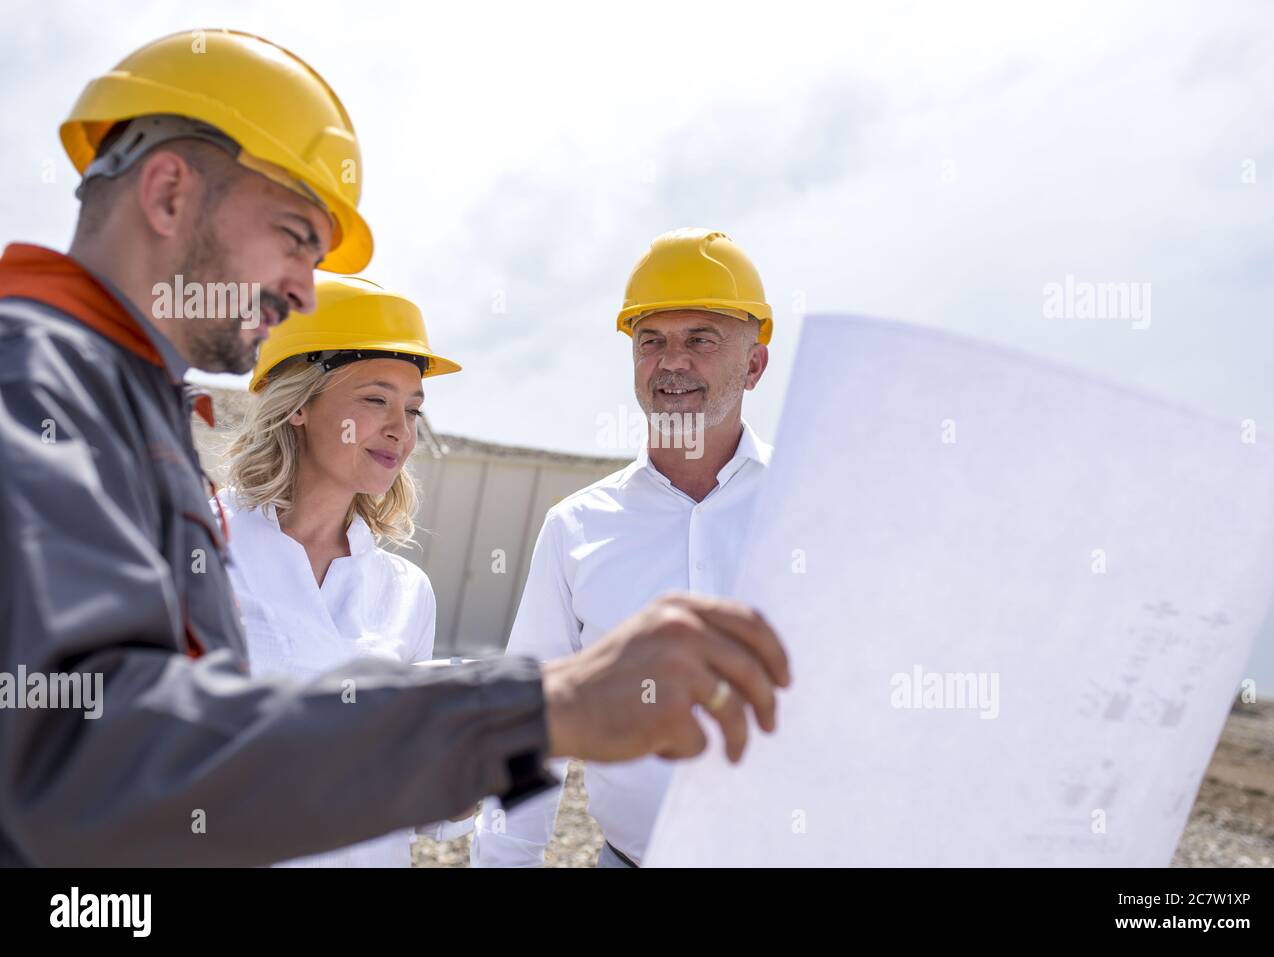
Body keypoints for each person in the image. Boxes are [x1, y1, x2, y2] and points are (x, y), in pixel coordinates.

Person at [0, 32, 789, 867]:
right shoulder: (36, 393)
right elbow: (88, 757)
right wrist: (538, 707)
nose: (306, 287)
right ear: (167, 193)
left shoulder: (116, 403)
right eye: (296, 234)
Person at [473, 228, 774, 867]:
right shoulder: (575, 527)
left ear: (754, 364)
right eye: (652, 341)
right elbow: (531, 720)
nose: (672, 363)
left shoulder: (809, 507)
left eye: (701, 340)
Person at [219, 276, 471, 866]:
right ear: (300, 404)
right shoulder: (198, 546)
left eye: (412, 410)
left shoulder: (405, 593)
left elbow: (424, 808)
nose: (400, 431)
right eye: (376, 399)